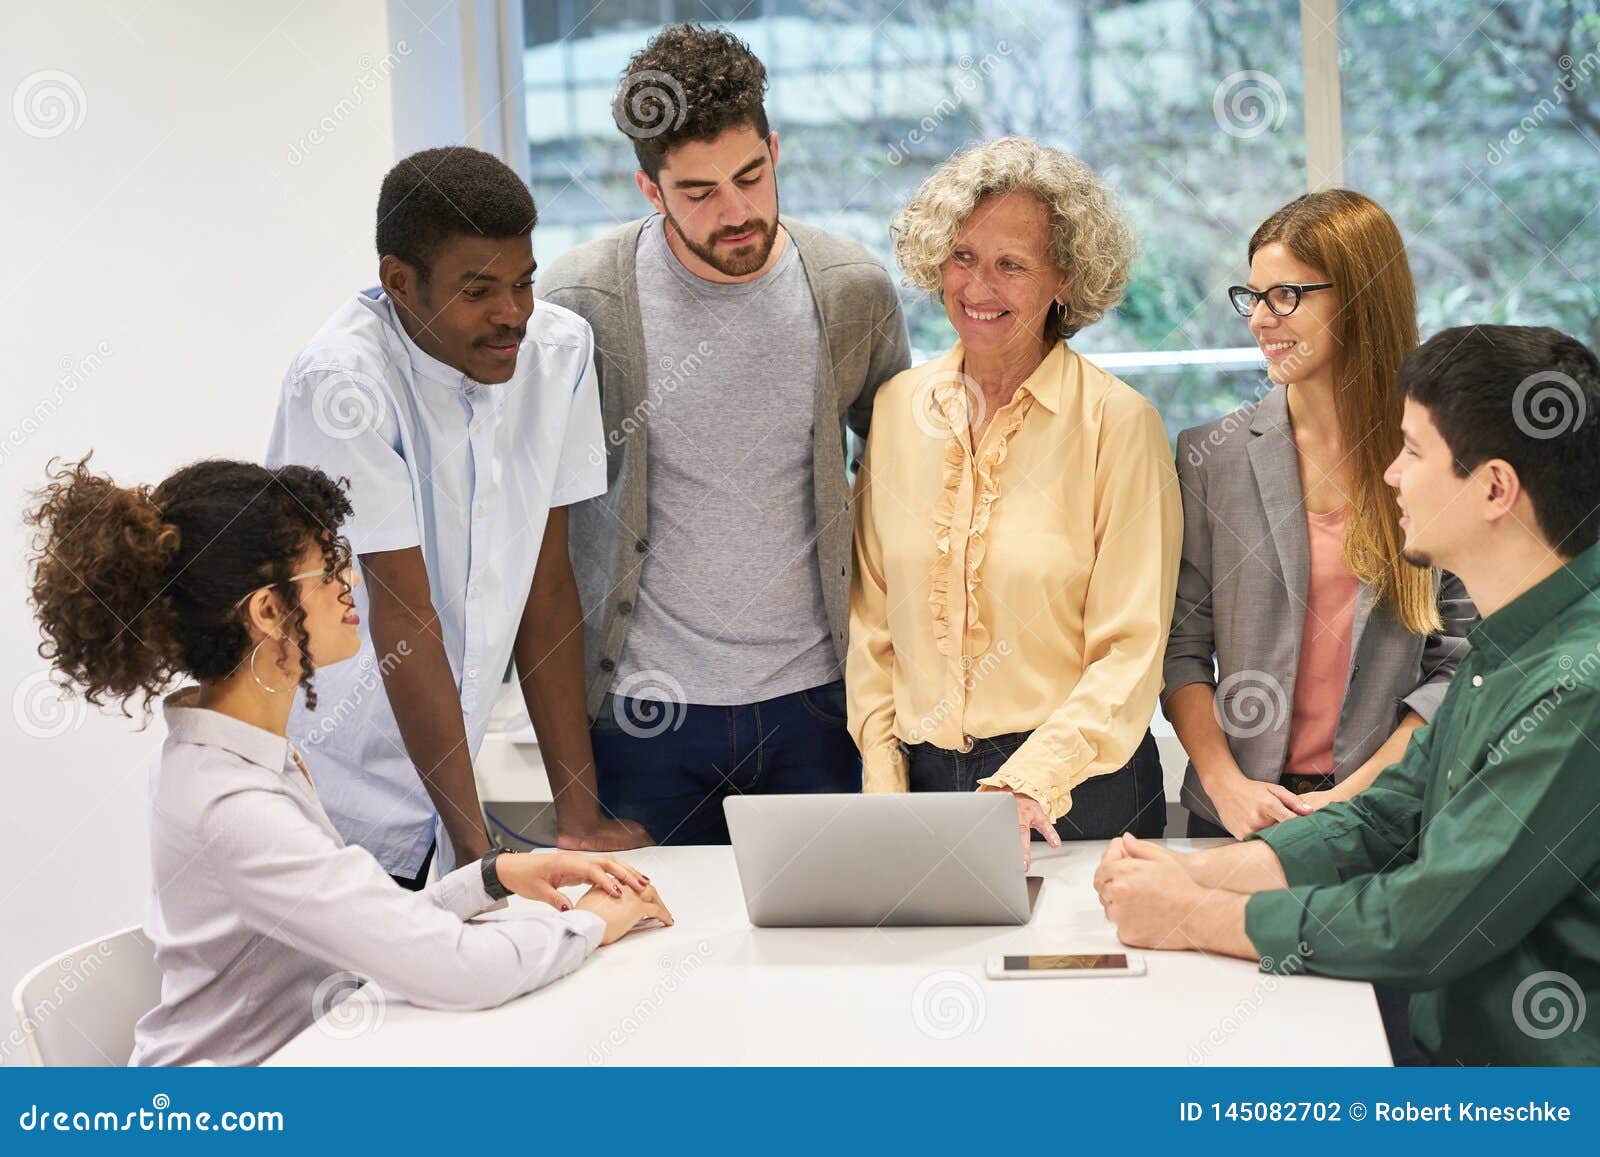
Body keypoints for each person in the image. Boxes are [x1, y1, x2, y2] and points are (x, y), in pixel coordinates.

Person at [24, 458, 670, 1067]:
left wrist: (494, 875)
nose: (351, 579)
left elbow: (375, 929)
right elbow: (460, 971)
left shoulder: (235, 756)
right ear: (269, 610)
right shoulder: (231, 803)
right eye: (328, 565)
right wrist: (595, 922)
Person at [1096, 325, 1600, 1067]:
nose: (1391, 475)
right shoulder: (1511, 642)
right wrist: (1190, 871)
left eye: (1413, 451)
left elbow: (1430, 919)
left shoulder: (1575, 685)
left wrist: (1195, 917)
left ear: (1495, 487)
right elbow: (1386, 818)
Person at [539, 24, 911, 846]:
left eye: (752, 175)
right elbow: (539, 526)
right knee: (659, 957)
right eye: (700, 192)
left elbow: (906, 486)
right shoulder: (579, 305)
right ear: (650, 188)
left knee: (829, 956)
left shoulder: (851, 291)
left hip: (818, 704)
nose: (737, 212)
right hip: (644, 713)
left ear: (775, 148)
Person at [268, 146, 648, 889]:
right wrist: (482, 864)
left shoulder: (559, 351)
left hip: (449, 796)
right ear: (399, 283)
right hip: (336, 806)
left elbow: (547, 587)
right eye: (479, 291)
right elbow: (404, 616)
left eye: (523, 283)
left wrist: (580, 815)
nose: (512, 314)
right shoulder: (341, 384)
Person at [847, 137, 1181, 867]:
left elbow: (1132, 648)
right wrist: (883, 775)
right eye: (963, 256)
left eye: (1012, 265)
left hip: (1081, 792)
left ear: (1064, 278)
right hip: (919, 783)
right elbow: (871, 618)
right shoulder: (900, 408)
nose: (978, 286)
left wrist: (1030, 781)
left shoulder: (1119, 424)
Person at [1164, 190, 1473, 841]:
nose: (1259, 320)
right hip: (1233, 818)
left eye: (1286, 296)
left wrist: (1354, 799)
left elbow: (1459, 664)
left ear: (1359, 297)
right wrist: (1227, 787)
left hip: (1390, 815)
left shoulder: (1438, 459)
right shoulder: (1207, 458)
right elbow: (1183, 652)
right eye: (1253, 296)